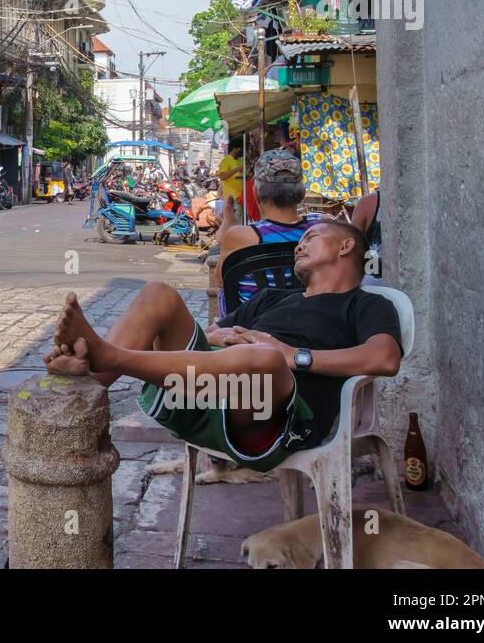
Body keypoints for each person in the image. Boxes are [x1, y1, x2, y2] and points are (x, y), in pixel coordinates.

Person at [44, 219, 401, 472]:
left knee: (263, 360)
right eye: (300, 240)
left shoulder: (366, 304)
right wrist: (219, 338)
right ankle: (86, 386)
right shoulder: (272, 297)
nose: (299, 244)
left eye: (311, 236)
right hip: (197, 392)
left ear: (346, 246)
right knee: (159, 295)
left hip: (265, 416)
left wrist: (292, 355)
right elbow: (211, 332)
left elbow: (384, 358)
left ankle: (108, 357)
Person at [214, 148, 323, 313]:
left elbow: (221, 281)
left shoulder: (240, 236)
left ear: (255, 192)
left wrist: (229, 225)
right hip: (308, 322)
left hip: (250, 328)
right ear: (302, 193)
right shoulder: (322, 229)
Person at [350, 188, 383, 283]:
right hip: (374, 287)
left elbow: (353, 252)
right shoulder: (369, 202)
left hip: (372, 286)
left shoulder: (368, 203)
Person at [217, 145, 244, 227]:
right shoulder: (226, 160)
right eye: (240, 148)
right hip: (232, 196)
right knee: (234, 221)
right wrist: (238, 169)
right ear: (234, 148)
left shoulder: (241, 160)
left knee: (239, 220)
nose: (241, 150)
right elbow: (222, 176)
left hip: (241, 196)